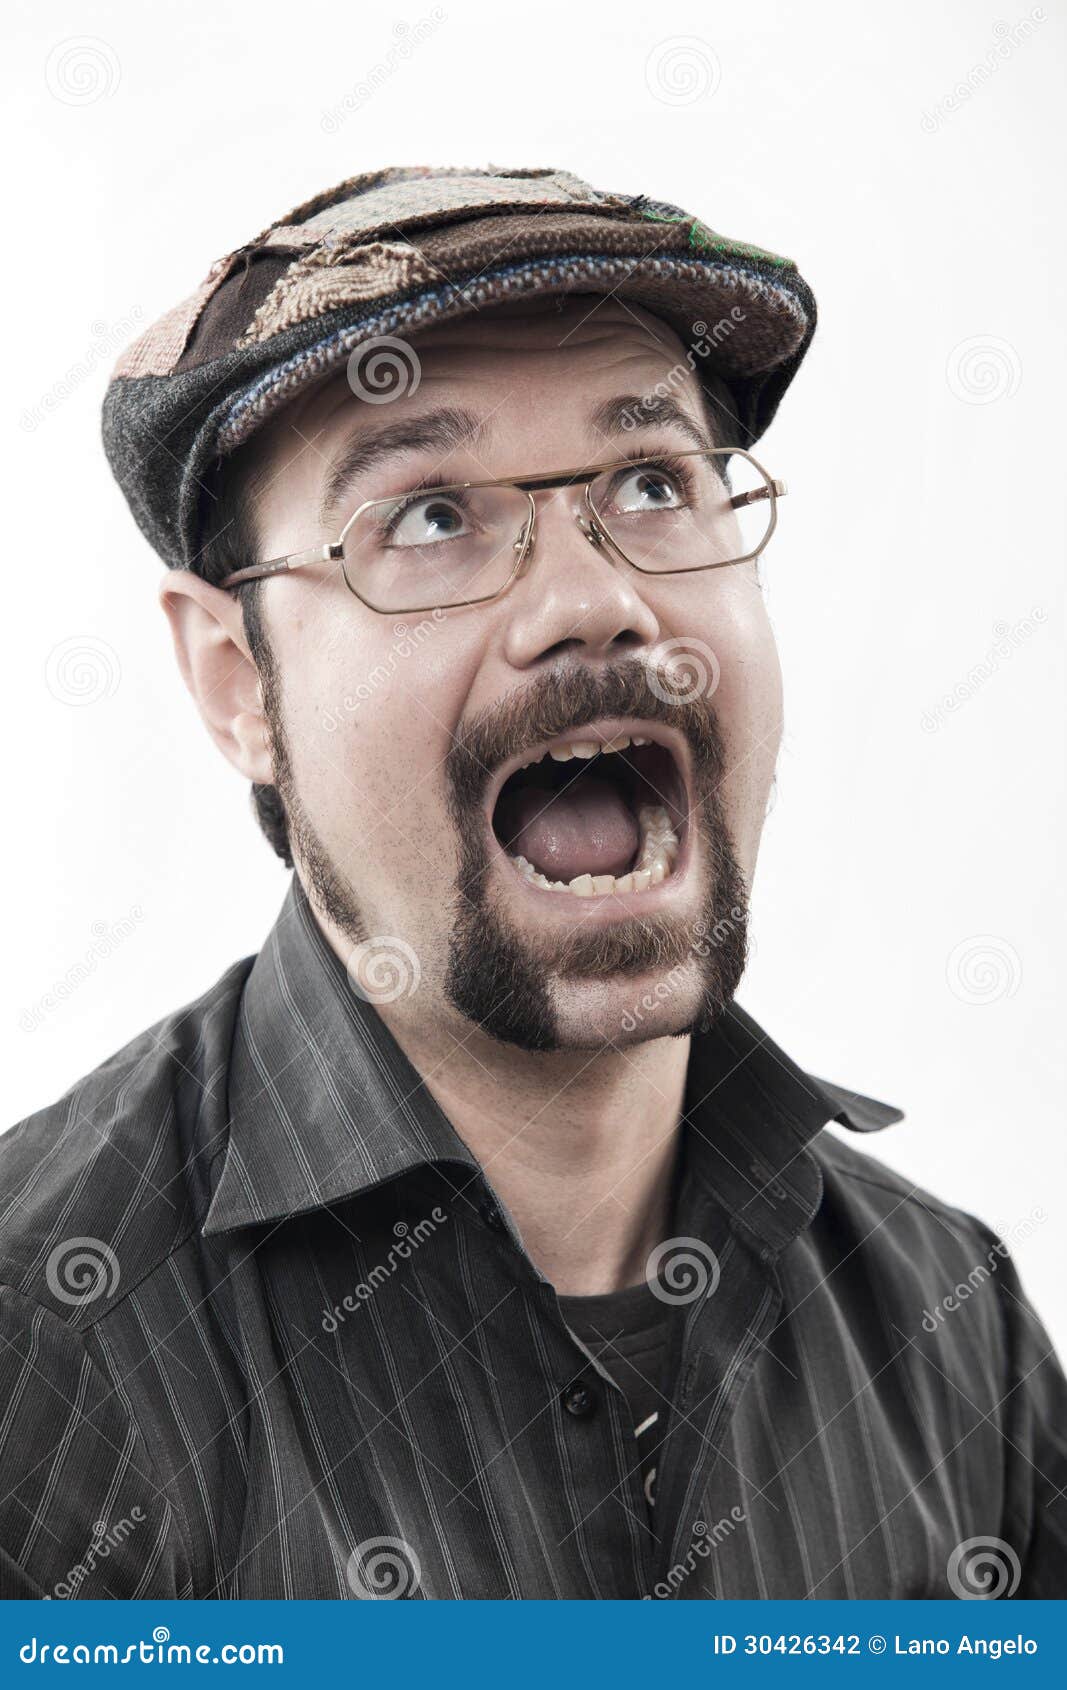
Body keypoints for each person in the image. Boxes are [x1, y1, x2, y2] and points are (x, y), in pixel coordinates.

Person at [1, 166, 1063, 1600]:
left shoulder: (955, 1331)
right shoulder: (39, 1339)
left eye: (652, 483)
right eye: (432, 514)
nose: (590, 601)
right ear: (238, 679)